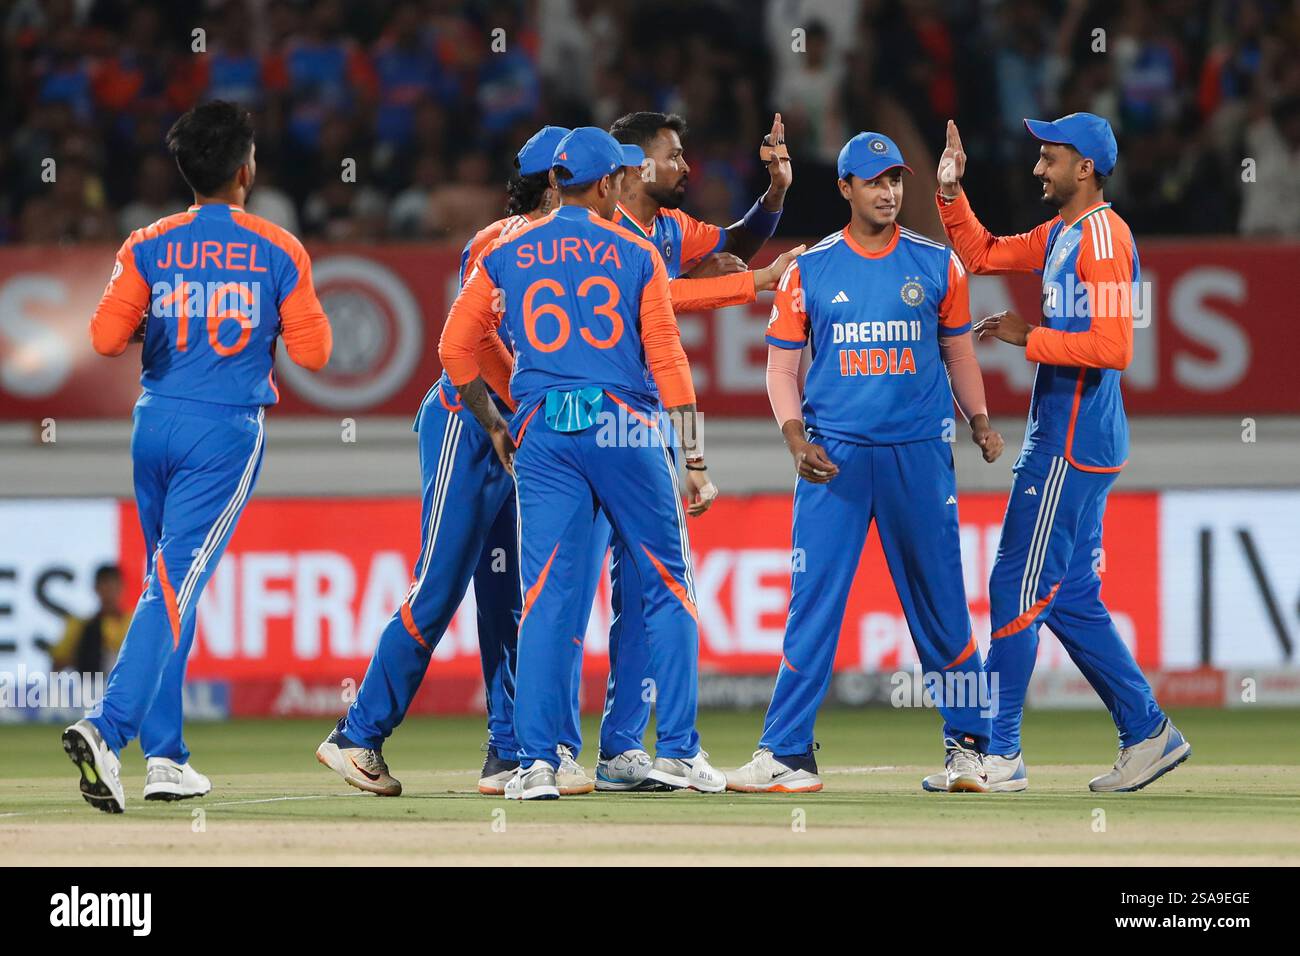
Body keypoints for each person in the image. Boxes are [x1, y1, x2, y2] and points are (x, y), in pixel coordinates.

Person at [439, 127, 726, 799]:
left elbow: (455, 350)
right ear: (607, 185)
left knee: (544, 596)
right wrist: (694, 456)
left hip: (541, 432)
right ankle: (679, 751)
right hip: (623, 426)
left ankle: (536, 763)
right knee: (667, 582)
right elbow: (668, 359)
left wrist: (497, 422)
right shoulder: (633, 252)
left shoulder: (506, 253)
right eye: (621, 178)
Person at [65, 100, 332, 814]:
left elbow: (102, 339)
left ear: (186, 170)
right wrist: (264, 313)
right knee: (173, 590)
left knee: (165, 587)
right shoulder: (277, 247)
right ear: (247, 169)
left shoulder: (148, 242)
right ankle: (107, 727)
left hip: (153, 423)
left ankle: (167, 758)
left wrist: (167, 312)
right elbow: (314, 352)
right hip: (224, 432)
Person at [314, 126, 594, 798]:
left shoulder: (567, 247)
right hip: (467, 424)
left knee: (504, 599)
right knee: (439, 585)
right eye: (583, 180)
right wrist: (522, 406)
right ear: (556, 183)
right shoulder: (496, 243)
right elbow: (471, 345)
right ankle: (357, 735)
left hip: (512, 433)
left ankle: (506, 751)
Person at [727, 132, 1004, 794]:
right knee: (813, 604)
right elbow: (780, 368)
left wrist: (981, 420)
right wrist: (795, 440)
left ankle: (968, 750)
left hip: (919, 455)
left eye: (896, 181)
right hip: (835, 457)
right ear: (845, 188)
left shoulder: (939, 264)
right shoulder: (809, 268)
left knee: (941, 605)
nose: (888, 192)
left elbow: (959, 354)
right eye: (874, 181)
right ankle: (788, 754)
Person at [929, 113, 1190, 792]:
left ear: (1086, 168)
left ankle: (1001, 755)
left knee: (1013, 587)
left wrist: (1028, 336)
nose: (1038, 168)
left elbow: (1115, 348)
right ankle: (1148, 731)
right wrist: (951, 195)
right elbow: (983, 253)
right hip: (1072, 437)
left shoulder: (1104, 238)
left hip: (1071, 444)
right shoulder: (1066, 233)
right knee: (1069, 599)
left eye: (1050, 158)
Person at [579, 111, 799, 792]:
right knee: (608, 591)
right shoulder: (600, 234)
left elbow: (736, 240)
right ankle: (649, 747)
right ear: (637, 167)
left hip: (636, 419)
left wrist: (775, 195)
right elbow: (666, 297)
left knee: (640, 594)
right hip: (605, 425)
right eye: (674, 157)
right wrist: (754, 282)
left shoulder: (671, 228)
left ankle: (616, 751)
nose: (686, 168)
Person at [50, 564, 128, 675]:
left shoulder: (135, 623)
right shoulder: (81, 626)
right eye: (105, 586)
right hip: (92, 687)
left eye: (113, 586)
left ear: (121, 587)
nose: (110, 593)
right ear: (96, 588)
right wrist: (82, 654)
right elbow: (56, 666)